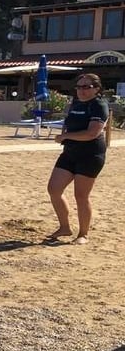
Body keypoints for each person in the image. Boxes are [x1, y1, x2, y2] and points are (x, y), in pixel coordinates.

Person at [46, 73, 108, 245]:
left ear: (96, 89)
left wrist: (66, 136)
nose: (82, 90)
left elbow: (92, 133)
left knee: (81, 196)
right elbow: (70, 122)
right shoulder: (75, 103)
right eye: (79, 87)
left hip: (90, 155)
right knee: (54, 189)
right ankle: (64, 227)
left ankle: (83, 234)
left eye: (86, 87)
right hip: (70, 153)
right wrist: (66, 134)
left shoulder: (98, 105)